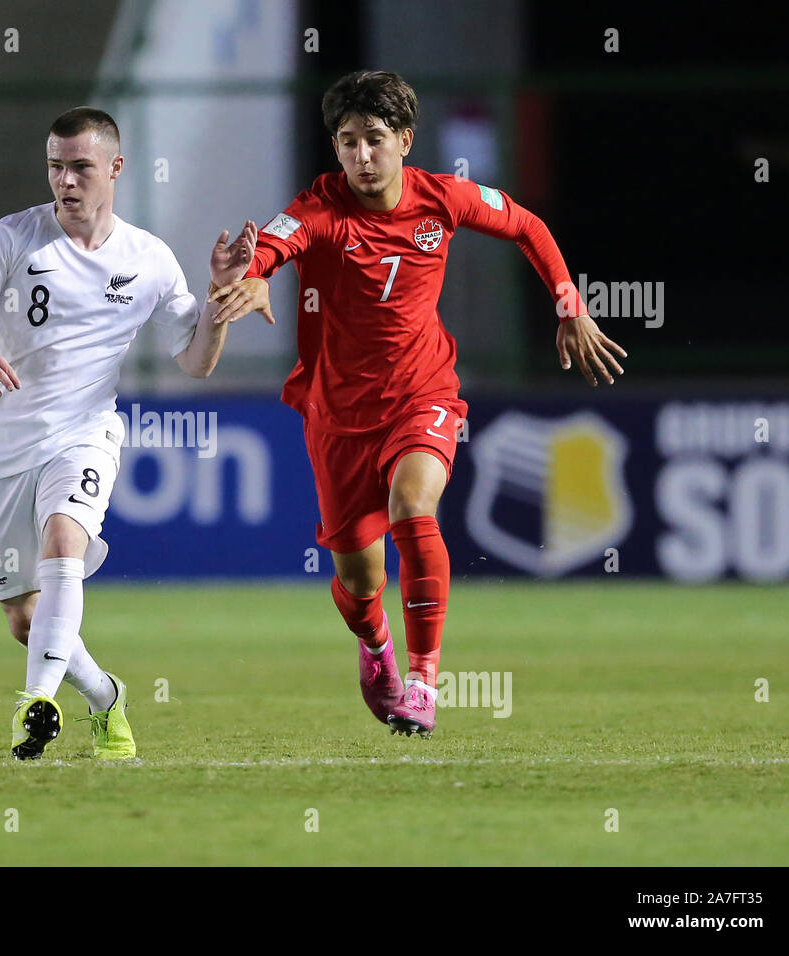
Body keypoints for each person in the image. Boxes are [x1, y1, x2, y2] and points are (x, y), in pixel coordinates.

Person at [210, 71, 627, 737]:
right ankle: (376, 648)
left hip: (422, 394)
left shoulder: (444, 199)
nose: (361, 157)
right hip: (339, 415)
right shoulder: (320, 208)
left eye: (374, 140)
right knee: (358, 577)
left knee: (412, 506)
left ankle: (425, 685)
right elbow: (273, 243)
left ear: (404, 140)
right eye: (347, 142)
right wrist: (254, 279)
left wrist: (568, 302)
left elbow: (527, 224)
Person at [0, 106, 256, 759]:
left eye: (80, 167)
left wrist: (220, 299)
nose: (66, 181)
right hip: (3, 441)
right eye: (56, 166)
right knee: (25, 620)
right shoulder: (8, 239)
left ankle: (37, 703)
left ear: (115, 168)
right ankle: (106, 696)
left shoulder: (150, 260)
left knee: (65, 540)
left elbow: (195, 362)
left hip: (86, 432)